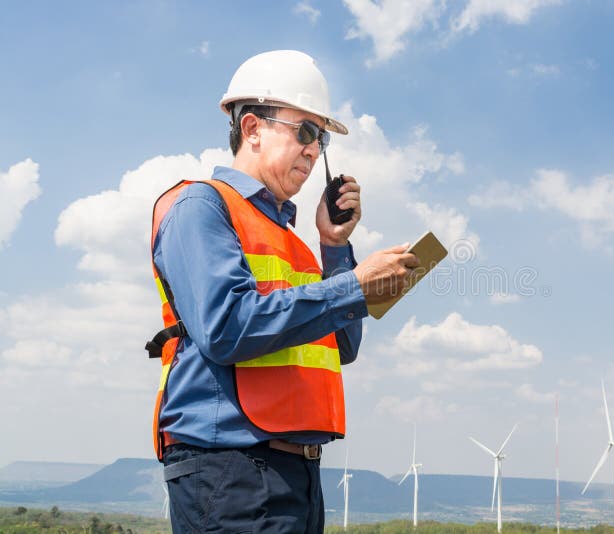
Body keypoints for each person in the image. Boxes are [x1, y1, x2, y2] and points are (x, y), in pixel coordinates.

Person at [145, 50, 419, 533]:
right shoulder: (200, 206)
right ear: (252, 129)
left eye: (322, 138)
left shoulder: (293, 241)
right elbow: (226, 328)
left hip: (295, 473)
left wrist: (335, 247)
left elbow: (342, 346)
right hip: (230, 473)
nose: (315, 151)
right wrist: (354, 285)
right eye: (306, 131)